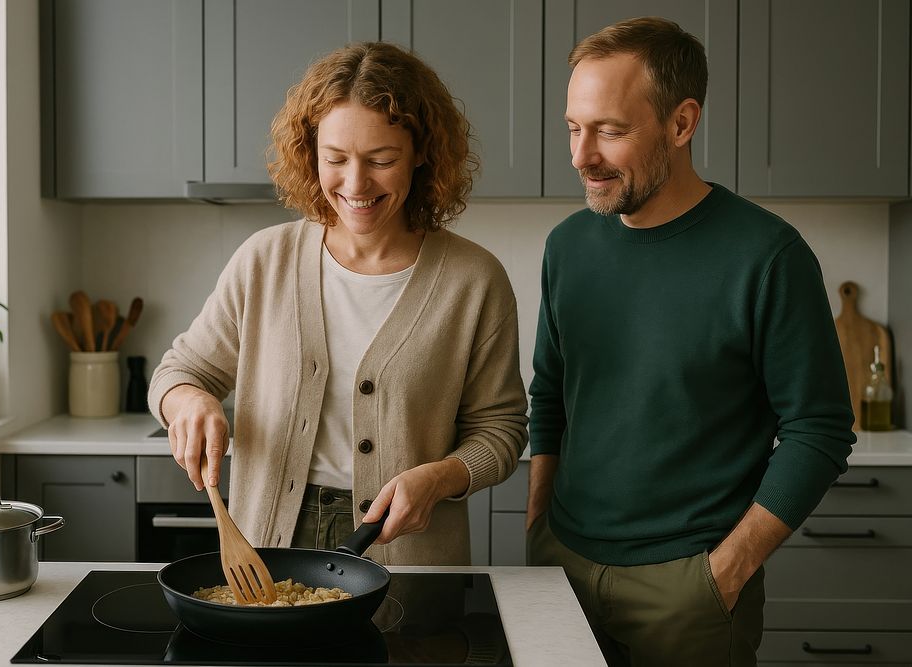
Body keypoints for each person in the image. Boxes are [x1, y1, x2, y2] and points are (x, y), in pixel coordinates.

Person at [526, 16, 855, 666]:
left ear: (681, 124)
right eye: (573, 127)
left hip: (690, 587)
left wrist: (724, 573)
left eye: (609, 130)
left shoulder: (768, 255)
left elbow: (819, 428)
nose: (580, 156)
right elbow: (550, 397)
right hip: (562, 563)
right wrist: (539, 529)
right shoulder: (567, 246)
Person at [149, 41, 528, 566]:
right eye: (335, 159)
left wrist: (441, 478)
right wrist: (190, 402)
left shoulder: (474, 280)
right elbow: (180, 372)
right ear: (311, 153)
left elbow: (501, 429)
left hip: (409, 552)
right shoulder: (265, 260)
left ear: (422, 152)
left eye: (381, 160)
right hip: (268, 547)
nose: (355, 184)